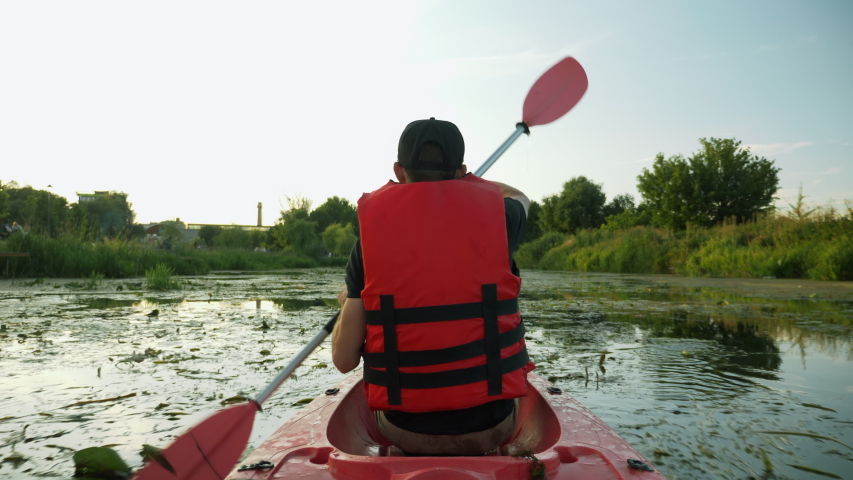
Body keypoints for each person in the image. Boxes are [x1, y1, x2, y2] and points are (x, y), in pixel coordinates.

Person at [331, 117, 534, 456]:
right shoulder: (501, 218)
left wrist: (346, 303)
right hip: (492, 426)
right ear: (462, 170)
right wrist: (469, 185)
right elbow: (521, 197)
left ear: (399, 171)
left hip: (403, 429)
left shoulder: (369, 241)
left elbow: (343, 359)